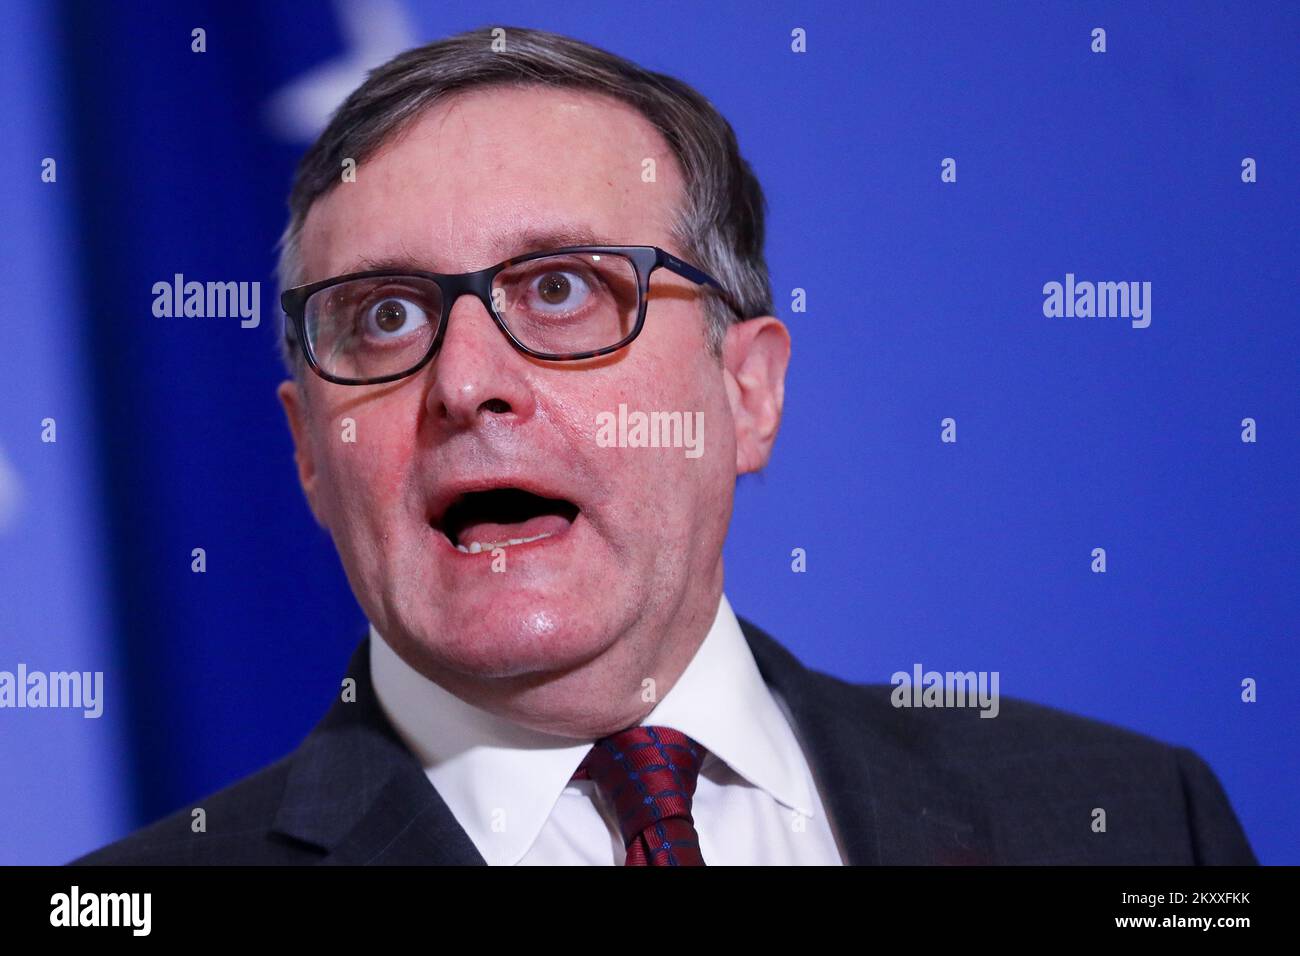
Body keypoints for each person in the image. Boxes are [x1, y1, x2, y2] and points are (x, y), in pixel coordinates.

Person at [73, 26, 1255, 866]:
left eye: (561, 289)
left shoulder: (1132, 818)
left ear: (745, 391)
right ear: (306, 454)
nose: (467, 382)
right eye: (382, 316)